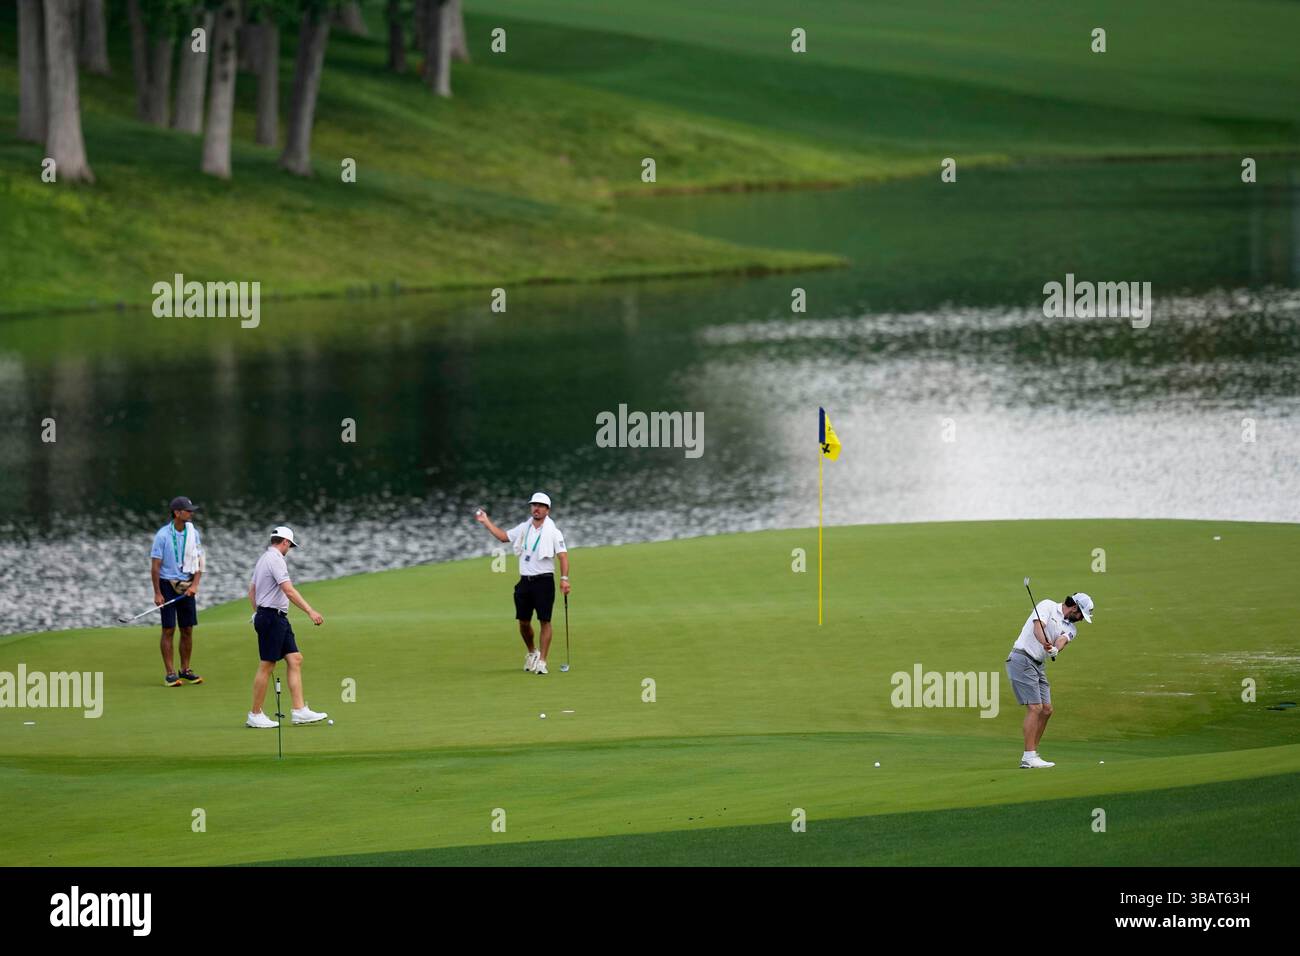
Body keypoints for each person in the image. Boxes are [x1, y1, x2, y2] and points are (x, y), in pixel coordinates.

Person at [475, 492, 571, 675]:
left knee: (545, 621)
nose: (536, 508)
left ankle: (542, 661)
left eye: (541, 506)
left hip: (544, 581)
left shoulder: (554, 532)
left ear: (547, 510)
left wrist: (564, 579)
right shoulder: (524, 528)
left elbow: (563, 557)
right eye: (534, 505)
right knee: (523, 623)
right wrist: (486, 522)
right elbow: (503, 537)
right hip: (524, 582)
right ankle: (532, 652)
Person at [244, 526, 328, 728]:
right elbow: (289, 590)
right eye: (290, 545)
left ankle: (299, 711)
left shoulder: (264, 558)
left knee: (295, 658)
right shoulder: (275, 560)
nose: (289, 548)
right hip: (272, 617)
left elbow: (251, 592)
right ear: (285, 542)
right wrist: (310, 611)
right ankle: (255, 714)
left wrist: (258, 612)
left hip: (275, 617)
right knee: (267, 665)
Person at [1005, 591, 1094, 768]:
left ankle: (1032, 754)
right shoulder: (1047, 606)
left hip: (1038, 665)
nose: (1081, 619)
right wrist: (1043, 642)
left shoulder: (1072, 627)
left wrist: (1055, 649)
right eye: (1080, 614)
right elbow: (1038, 627)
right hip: (1022, 658)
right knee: (1035, 707)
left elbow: (1062, 639)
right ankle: (1029, 757)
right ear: (1074, 607)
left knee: (1046, 709)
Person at [150, 495, 205, 687]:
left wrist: (195, 585)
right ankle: (170, 673)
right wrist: (157, 593)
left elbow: (200, 562)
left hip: (187, 585)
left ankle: (185, 669)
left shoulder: (193, 533)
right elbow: (155, 566)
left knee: (187, 629)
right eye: (188, 510)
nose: (191, 513)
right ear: (177, 513)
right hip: (167, 585)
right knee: (168, 629)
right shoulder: (163, 535)